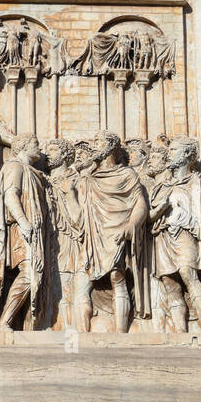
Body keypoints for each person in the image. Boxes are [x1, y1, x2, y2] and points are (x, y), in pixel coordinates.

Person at [71, 131, 150, 332]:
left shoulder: (127, 174)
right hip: (93, 235)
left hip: (117, 229)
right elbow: (79, 216)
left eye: (101, 141)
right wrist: (69, 193)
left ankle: (121, 333)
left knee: (117, 277)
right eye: (95, 141)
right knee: (82, 280)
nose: (96, 145)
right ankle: (81, 334)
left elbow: (140, 203)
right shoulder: (88, 179)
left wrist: (131, 224)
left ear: (112, 146)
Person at [148, 136, 201, 332]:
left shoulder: (199, 181)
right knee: (169, 283)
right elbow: (149, 215)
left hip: (187, 232)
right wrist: (158, 210)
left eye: (174, 150)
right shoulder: (161, 186)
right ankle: (180, 333)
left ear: (187, 154)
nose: (169, 154)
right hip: (163, 236)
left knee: (187, 272)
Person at [0, 132, 53, 330]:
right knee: (29, 273)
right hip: (20, 229)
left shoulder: (31, 170)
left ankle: (22, 324)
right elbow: (11, 196)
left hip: (32, 230)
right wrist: (24, 223)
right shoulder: (15, 166)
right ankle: (4, 322)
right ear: (23, 146)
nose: (39, 148)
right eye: (35, 143)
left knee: (34, 274)